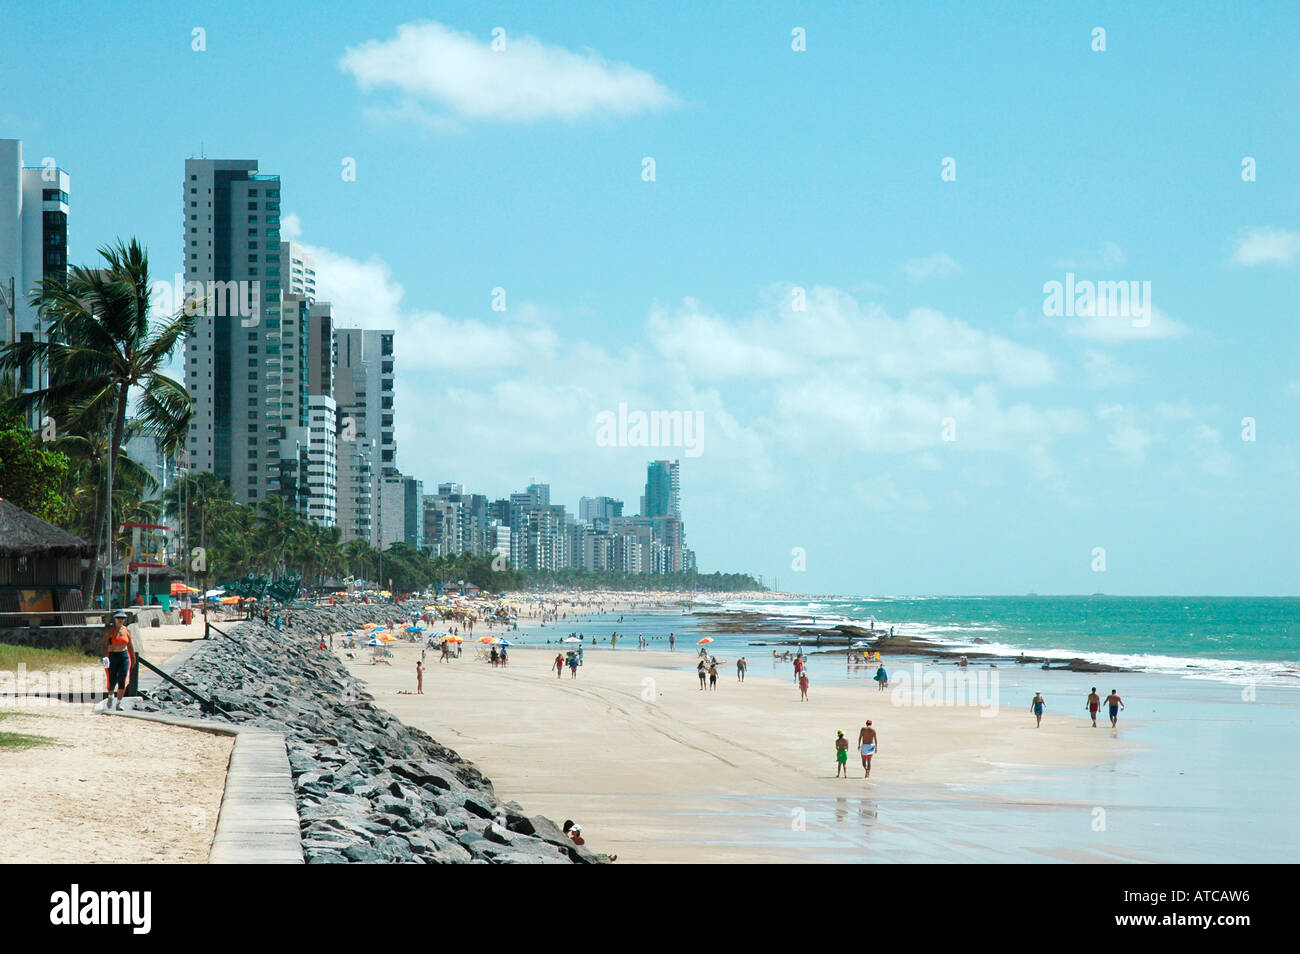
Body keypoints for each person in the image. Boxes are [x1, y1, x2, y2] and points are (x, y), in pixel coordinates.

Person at [100, 610, 134, 711]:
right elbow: (104, 644)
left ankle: (119, 702)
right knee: (112, 679)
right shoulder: (110, 631)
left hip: (124, 656)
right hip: (113, 655)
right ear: (115, 619)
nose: (121, 620)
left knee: (122, 679)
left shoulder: (127, 630)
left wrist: (132, 657)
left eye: (122, 618)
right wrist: (104, 657)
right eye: (119, 618)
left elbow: (130, 645)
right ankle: (110, 696)